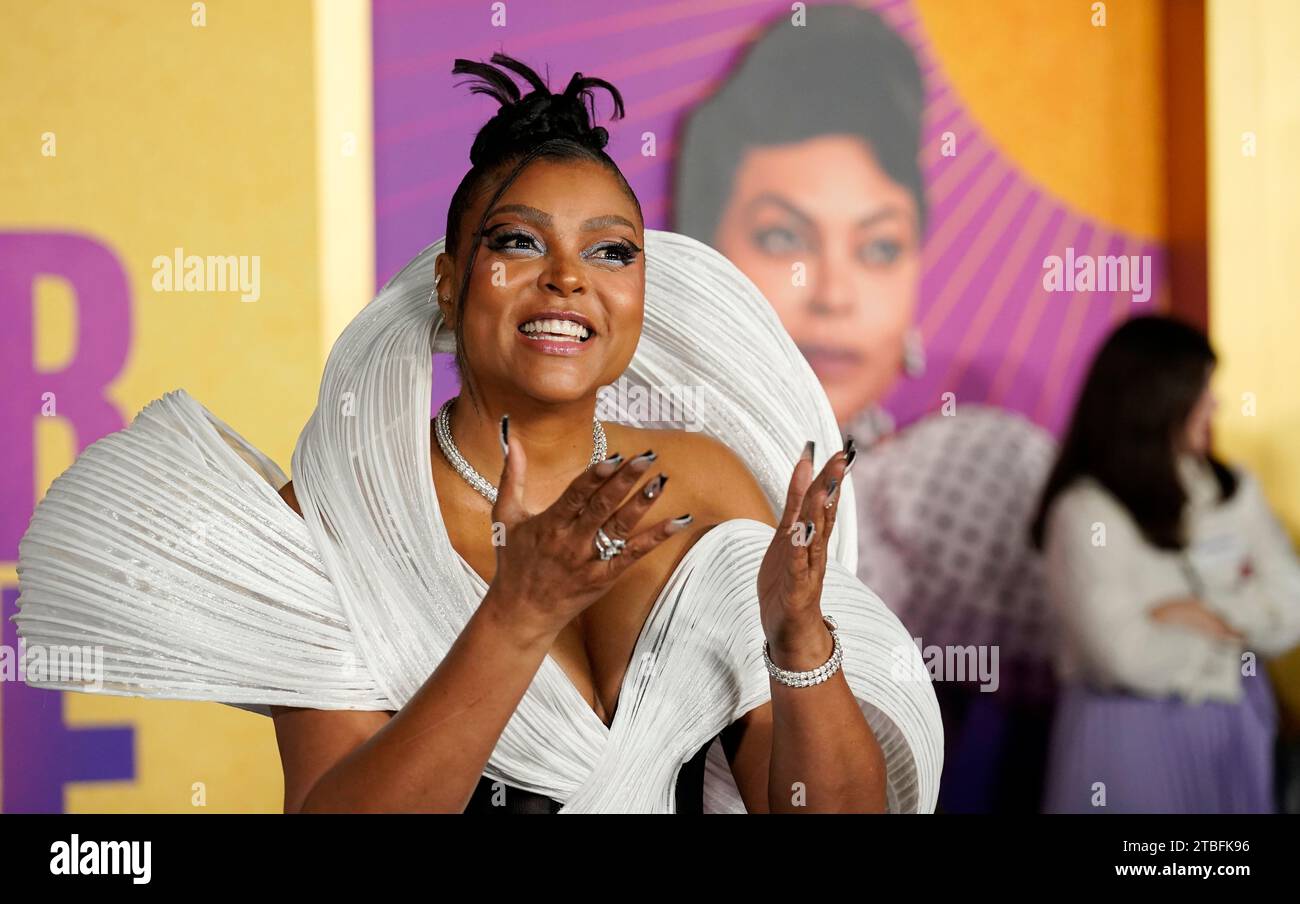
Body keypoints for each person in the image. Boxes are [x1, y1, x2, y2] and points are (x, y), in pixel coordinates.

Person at [12, 53, 942, 814]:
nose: (569, 279)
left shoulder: (704, 489)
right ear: (450, 284)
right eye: (520, 242)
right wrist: (518, 615)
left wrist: (797, 639)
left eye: (612, 250)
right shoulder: (344, 523)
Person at [673, 4, 1055, 812]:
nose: (837, 294)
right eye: (784, 239)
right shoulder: (648, 483)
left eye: (879, 247)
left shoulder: (974, 479)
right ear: (703, 252)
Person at [1031, 315, 1300, 813]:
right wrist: (1241, 623)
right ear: (1154, 400)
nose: (1215, 404)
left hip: (1238, 724)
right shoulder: (1086, 511)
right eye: (1202, 389)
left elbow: (1291, 607)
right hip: (1129, 740)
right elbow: (1123, 655)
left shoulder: (1233, 489)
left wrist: (1191, 611)